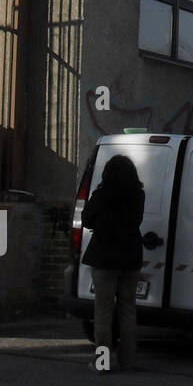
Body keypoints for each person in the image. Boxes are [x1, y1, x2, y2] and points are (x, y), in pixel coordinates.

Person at [81, 154, 146, 372]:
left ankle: (102, 362)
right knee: (128, 311)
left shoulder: (101, 195)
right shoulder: (138, 195)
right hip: (130, 257)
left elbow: (86, 219)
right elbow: (137, 220)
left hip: (104, 257)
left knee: (103, 313)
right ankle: (127, 361)